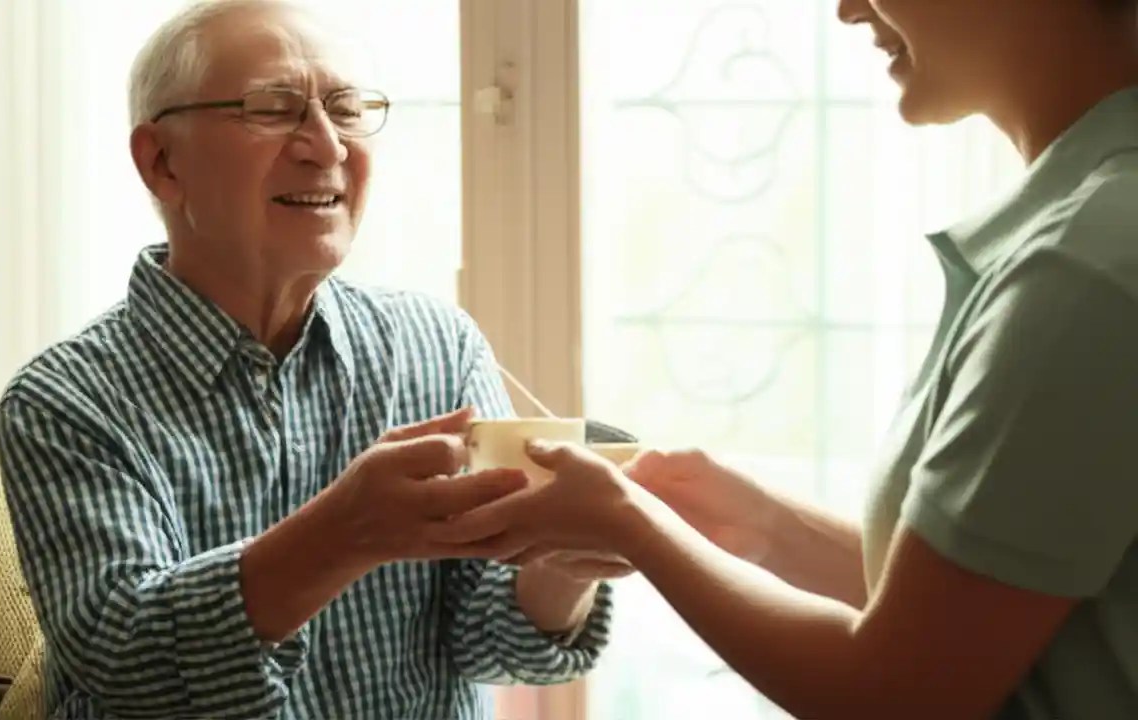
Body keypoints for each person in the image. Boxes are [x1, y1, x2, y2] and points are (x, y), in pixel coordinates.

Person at [431, 0, 1138, 718]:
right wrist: (763, 526)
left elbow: (893, 695)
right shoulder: (1093, 231)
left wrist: (633, 526)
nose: (848, 8)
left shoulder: (1084, 266)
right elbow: (966, 623)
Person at [0, 1, 612, 718]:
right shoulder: (63, 401)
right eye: (274, 108)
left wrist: (563, 564)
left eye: (347, 109)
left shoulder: (438, 346)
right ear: (161, 162)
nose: (328, 145)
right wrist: (340, 534)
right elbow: (131, 669)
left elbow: (491, 642)